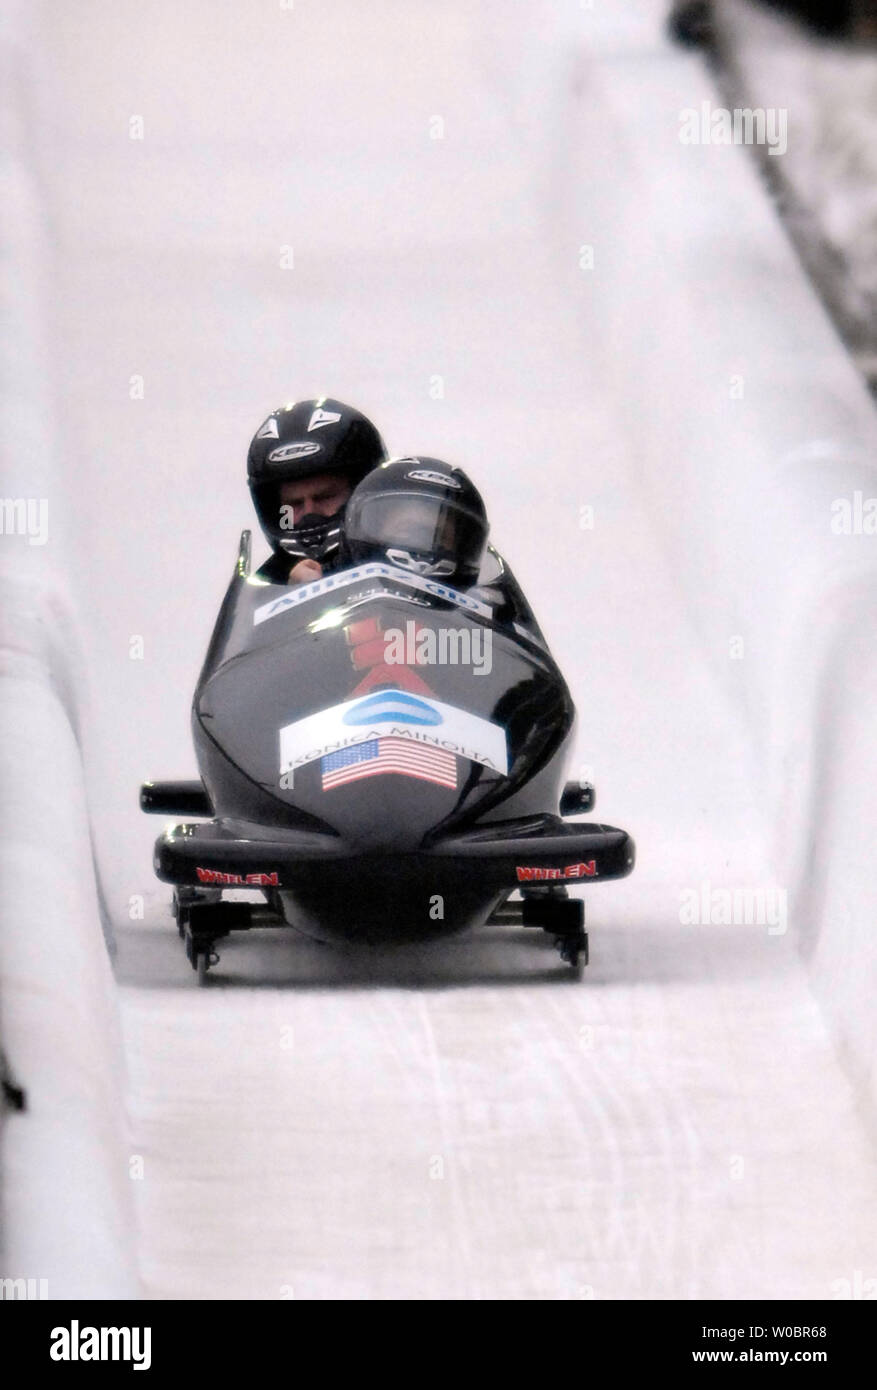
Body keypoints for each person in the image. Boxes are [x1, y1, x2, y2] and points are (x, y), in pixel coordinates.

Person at [342, 455, 545, 635]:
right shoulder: (334, 605)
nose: (425, 545)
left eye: (439, 538)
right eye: (409, 531)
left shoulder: (481, 634)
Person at [247, 396, 387, 583]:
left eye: (325, 497)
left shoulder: (406, 562)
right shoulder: (264, 588)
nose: (309, 513)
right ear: (277, 511)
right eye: (294, 504)